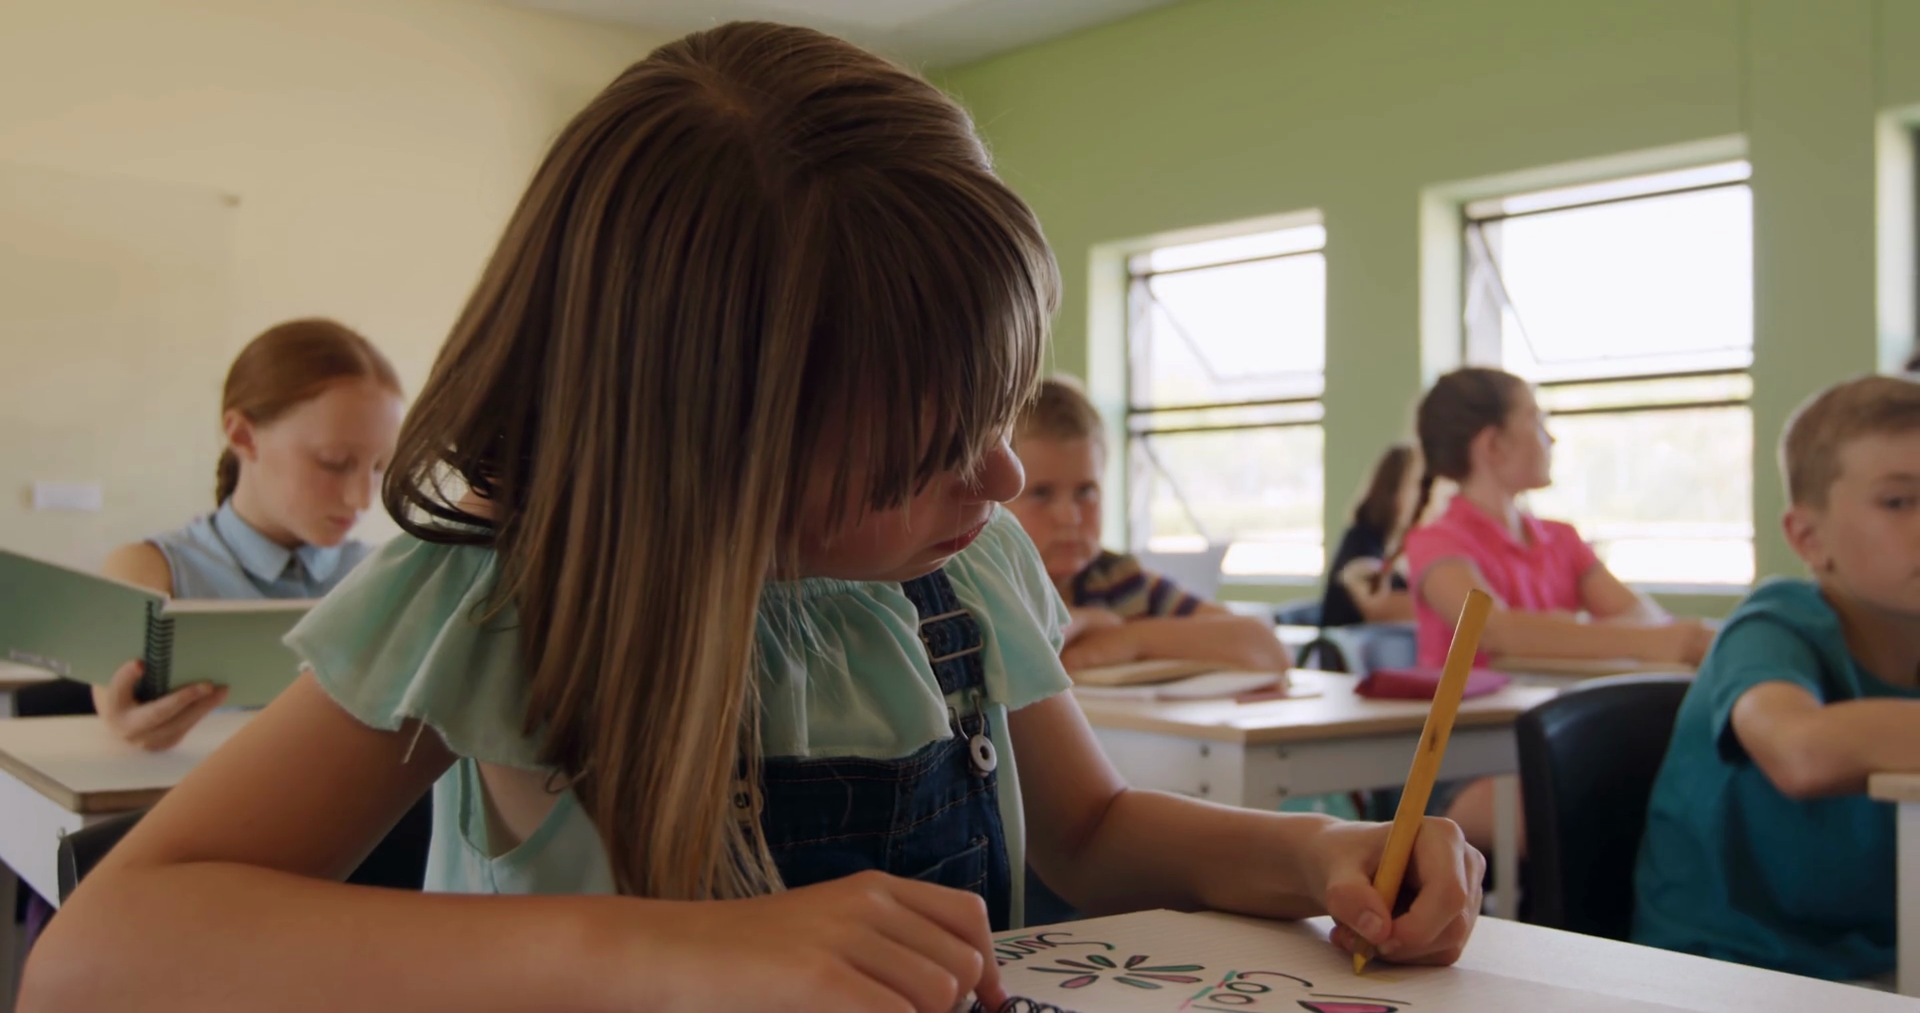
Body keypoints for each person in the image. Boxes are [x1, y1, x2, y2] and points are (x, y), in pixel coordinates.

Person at [22, 25, 1483, 1013]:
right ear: (700, 451)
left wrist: (1309, 862)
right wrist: (666, 950)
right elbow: (100, 955)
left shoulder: (959, 566)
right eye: (922, 451)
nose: (992, 487)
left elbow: (1092, 831)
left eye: (996, 419)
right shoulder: (498, 600)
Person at [1634, 375, 1920, 983]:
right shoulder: (1776, 622)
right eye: (1899, 502)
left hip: (1884, 972)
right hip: (1723, 978)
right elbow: (1802, 751)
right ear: (1808, 538)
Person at [1397, 367, 1715, 854]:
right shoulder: (1436, 543)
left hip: (1567, 745)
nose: (1551, 436)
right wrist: (1647, 639)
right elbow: (1496, 634)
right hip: (1468, 769)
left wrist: (1573, 631)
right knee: (1602, 797)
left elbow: (1643, 616)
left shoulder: (1561, 538)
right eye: (1535, 419)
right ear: (1493, 445)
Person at [90, 318, 405, 750]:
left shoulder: (389, 575)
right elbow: (118, 707)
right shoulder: (150, 568)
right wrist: (127, 716)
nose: (362, 499)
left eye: (378, 467)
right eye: (334, 461)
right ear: (242, 435)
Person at [1006, 376, 1292, 675]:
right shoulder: (986, 581)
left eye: (1086, 491)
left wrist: (1130, 638)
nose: (1070, 517)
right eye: (1041, 493)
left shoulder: (1123, 582)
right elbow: (1028, 652)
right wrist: (1084, 621)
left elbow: (1267, 648)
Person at [1320, 443, 1419, 627]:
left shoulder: (1387, 548)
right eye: (1418, 486)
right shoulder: (1360, 546)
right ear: (1396, 492)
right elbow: (1380, 607)